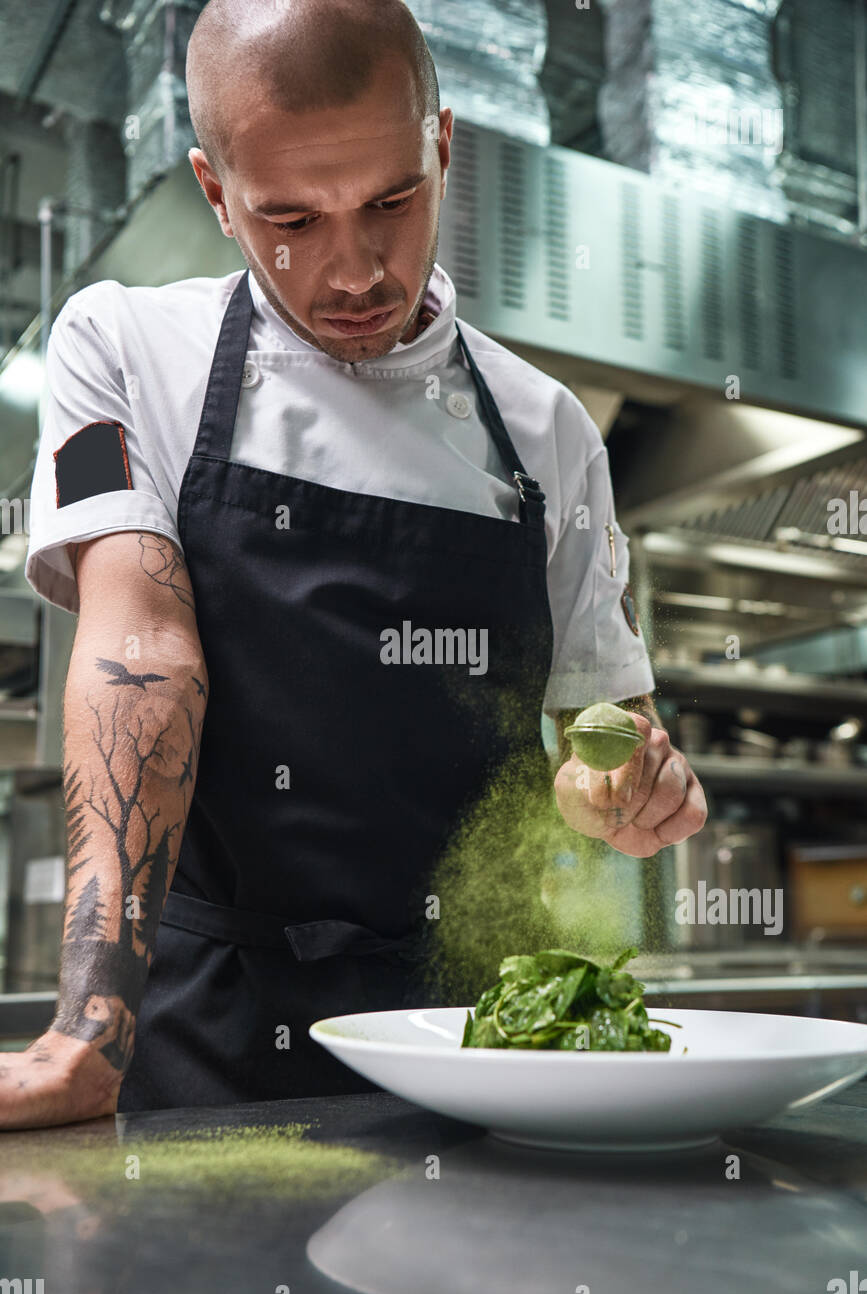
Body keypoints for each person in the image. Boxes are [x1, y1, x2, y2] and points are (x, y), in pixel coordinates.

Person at [4, 0, 706, 1129]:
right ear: (216, 192)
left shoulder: (548, 429)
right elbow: (143, 654)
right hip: (214, 1037)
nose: (356, 267)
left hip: (485, 1041)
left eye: (392, 199)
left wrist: (620, 789)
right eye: (291, 216)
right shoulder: (124, 347)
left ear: (440, 144)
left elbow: (599, 734)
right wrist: (88, 1028)